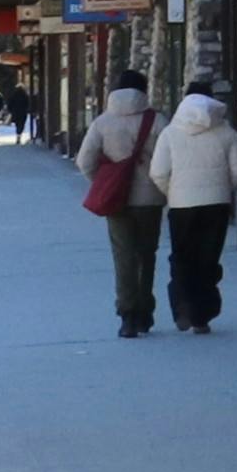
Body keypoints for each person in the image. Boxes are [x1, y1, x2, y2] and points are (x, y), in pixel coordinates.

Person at [146, 79, 237, 336]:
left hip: (182, 205)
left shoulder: (170, 133)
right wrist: (224, 189)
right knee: (208, 258)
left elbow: (157, 172)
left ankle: (183, 304)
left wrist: (173, 192)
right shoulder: (227, 132)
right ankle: (203, 314)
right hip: (217, 204)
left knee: (182, 256)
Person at [84, 79, 160, 336]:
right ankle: (144, 311)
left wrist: (105, 182)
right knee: (146, 255)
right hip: (150, 199)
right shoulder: (157, 121)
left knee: (123, 256)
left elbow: (85, 160)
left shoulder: (103, 122)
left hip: (116, 200)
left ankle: (127, 314)